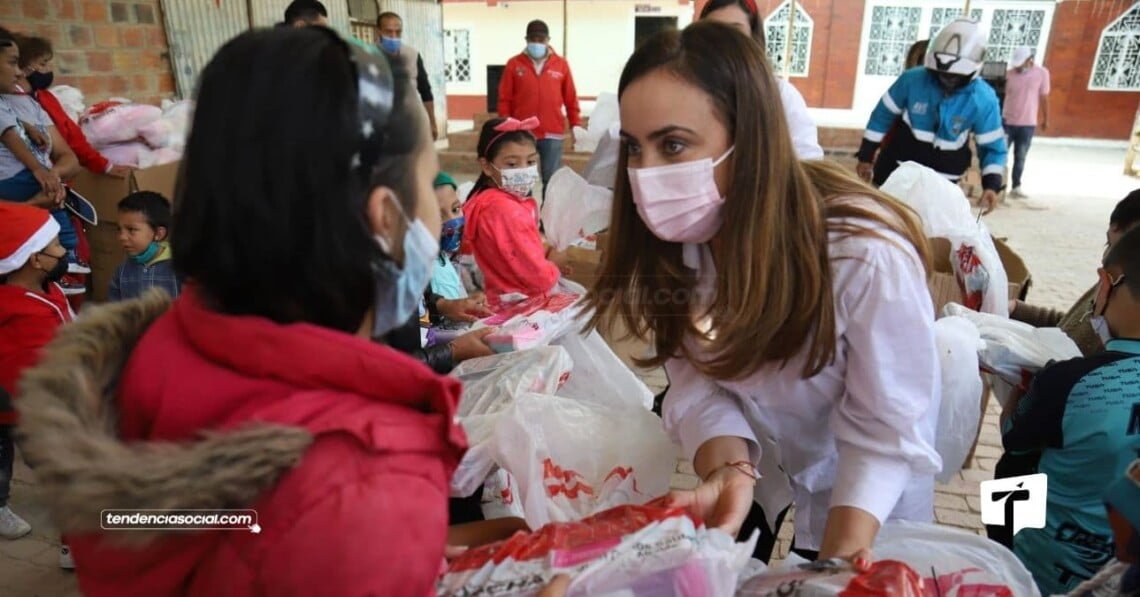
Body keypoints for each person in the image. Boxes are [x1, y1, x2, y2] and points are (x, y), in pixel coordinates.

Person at [14, 27, 465, 595]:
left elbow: (238, 536)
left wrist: (376, 553)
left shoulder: (164, 342)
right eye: (427, 181)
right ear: (386, 217)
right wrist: (368, 536)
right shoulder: (360, 483)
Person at [587, 22, 941, 564]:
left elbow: (884, 434)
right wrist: (729, 468)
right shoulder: (679, 245)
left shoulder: (860, 255)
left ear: (748, 140)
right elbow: (695, 378)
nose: (644, 174)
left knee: (855, 566)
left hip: (871, 487)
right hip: (781, 458)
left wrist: (840, 563)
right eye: (635, 148)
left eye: (673, 145)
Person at [998, 227, 1140, 596]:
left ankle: (999, 560)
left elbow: (1012, 436)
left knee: (1012, 468)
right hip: (1124, 572)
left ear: (1106, 284)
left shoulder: (1070, 380)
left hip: (1047, 569)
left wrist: (1023, 386)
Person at [857, 18, 1007, 215]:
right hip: (896, 171)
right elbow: (881, 117)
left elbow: (992, 146)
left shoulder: (983, 99)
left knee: (931, 230)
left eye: (954, 77)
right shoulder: (912, 80)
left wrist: (991, 184)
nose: (946, 81)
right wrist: (866, 156)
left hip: (943, 181)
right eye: (941, 74)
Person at [0, 202, 73, 542]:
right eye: (55, 246)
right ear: (35, 258)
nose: (64, 251)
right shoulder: (11, 305)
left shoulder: (50, 289)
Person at [0, 29, 85, 295]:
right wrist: (40, 181)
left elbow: (71, 157)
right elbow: (8, 133)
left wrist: (51, 175)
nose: (21, 73)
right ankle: (66, 260)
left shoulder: (30, 105)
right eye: (14, 63)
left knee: (56, 204)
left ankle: (66, 262)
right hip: (19, 188)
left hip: (30, 185)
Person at [1011, 189, 1140, 356]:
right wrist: (1016, 309)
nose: (1105, 258)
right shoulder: (1110, 281)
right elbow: (1071, 329)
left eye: (1121, 254)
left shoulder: (1119, 288)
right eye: (1108, 244)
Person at [463, 117, 571, 306]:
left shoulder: (487, 200)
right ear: (486, 166)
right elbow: (536, 277)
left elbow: (515, 252)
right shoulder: (504, 210)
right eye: (512, 164)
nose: (524, 170)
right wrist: (555, 266)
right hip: (525, 304)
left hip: (503, 297)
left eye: (530, 162)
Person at [698, 0, 823, 160]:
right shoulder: (687, 91)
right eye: (714, 32)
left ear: (753, 36)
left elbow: (808, 162)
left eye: (735, 31)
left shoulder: (780, 95)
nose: (725, 41)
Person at [15, 35, 130, 179]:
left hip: (53, 180)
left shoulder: (44, 98)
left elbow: (72, 136)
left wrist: (104, 165)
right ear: (22, 67)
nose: (47, 69)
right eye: (42, 64)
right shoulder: (9, 104)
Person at [497, 20, 582, 190]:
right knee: (522, 180)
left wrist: (576, 126)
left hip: (552, 133)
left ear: (547, 40)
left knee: (551, 182)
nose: (537, 42)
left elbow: (571, 98)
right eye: (533, 38)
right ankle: (523, 215)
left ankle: (547, 217)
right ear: (526, 39)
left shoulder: (561, 64)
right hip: (522, 132)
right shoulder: (514, 64)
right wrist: (505, 127)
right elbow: (504, 99)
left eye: (541, 39)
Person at [108, 191, 180, 302]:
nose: (122, 237)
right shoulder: (122, 271)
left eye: (131, 229)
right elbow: (115, 310)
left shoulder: (179, 269)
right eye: (119, 229)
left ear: (158, 234)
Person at [377, 11, 439, 140]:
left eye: (398, 32)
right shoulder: (367, 57)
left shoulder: (412, 55)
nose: (394, 36)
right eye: (389, 32)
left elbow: (425, 91)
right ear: (379, 32)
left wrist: (432, 123)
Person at [1003, 46, 1051, 204]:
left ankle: (1016, 186)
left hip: (1027, 123)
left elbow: (1044, 97)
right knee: (1001, 154)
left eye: (1021, 63)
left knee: (1020, 156)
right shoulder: (1009, 75)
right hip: (1007, 122)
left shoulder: (1041, 74)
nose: (1018, 67)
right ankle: (999, 187)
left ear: (1030, 60)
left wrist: (1046, 119)